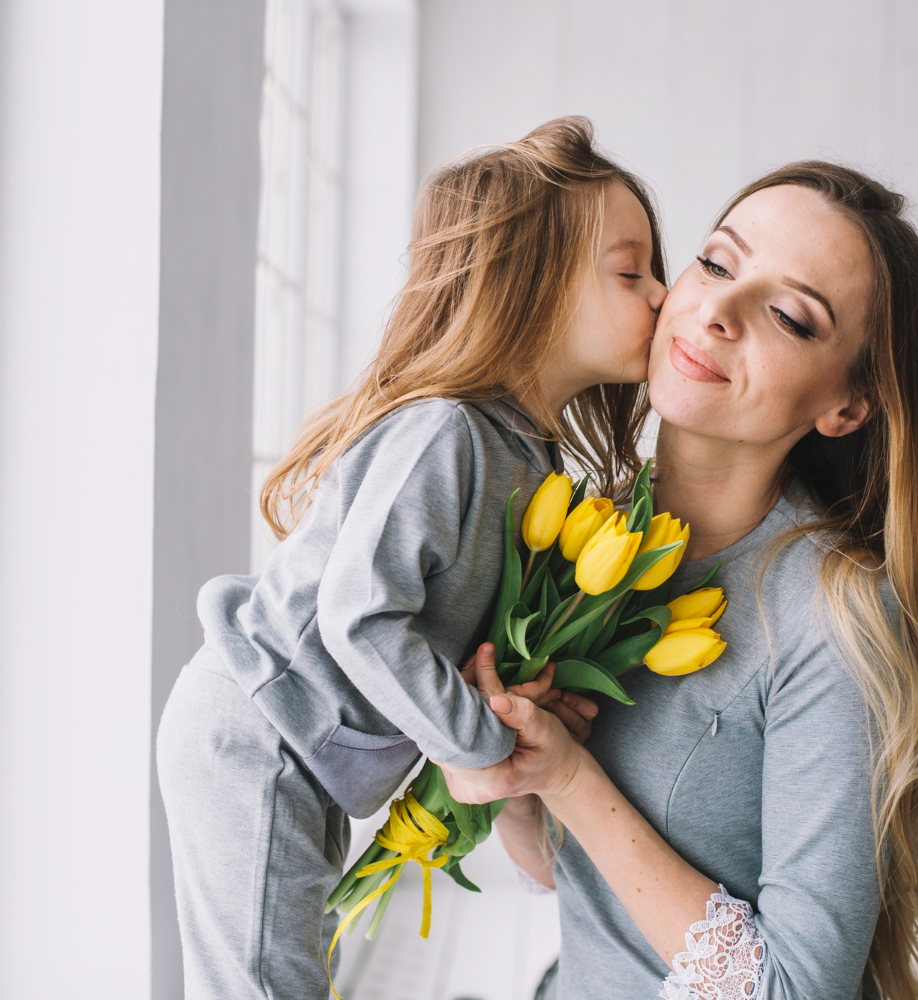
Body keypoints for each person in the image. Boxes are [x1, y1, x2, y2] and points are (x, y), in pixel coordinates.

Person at [155, 117, 664, 1000]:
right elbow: (360, 614)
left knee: (294, 971)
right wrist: (479, 743)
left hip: (305, 755)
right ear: (532, 289)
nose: (663, 294)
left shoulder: (526, 459)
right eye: (631, 272)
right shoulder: (447, 434)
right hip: (258, 734)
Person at [442, 163, 918, 1000]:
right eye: (717, 264)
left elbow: (795, 991)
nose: (717, 311)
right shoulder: (583, 536)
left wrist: (572, 773)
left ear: (847, 407)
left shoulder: (835, 620)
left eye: (789, 316)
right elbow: (562, 873)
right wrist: (507, 771)